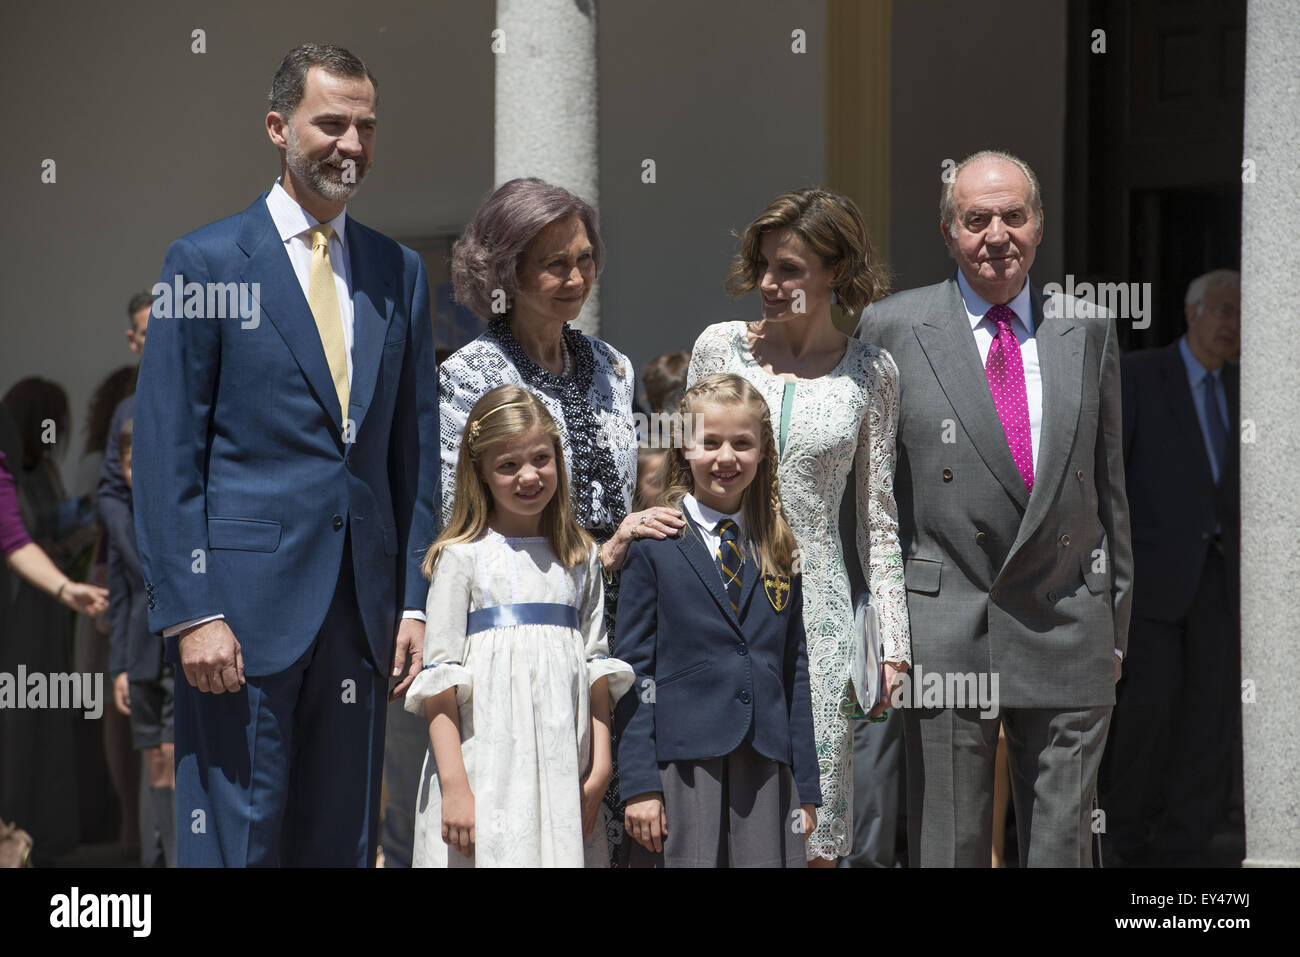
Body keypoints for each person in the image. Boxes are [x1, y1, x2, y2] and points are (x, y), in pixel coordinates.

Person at [132, 43, 439, 867]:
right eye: (330, 123)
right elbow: (166, 455)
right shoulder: (201, 263)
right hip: (237, 619)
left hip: (362, 618)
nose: (352, 144)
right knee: (238, 844)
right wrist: (192, 611)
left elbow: (413, 453)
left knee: (339, 845)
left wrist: (414, 600)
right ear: (277, 127)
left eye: (366, 127)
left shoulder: (397, 271)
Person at [857, 149, 1133, 867]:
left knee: (1062, 849)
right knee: (947, 847)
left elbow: (1110, 492)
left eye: (1014, 216)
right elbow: (872, 496)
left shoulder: (1088, 328)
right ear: (949, 232)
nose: (997, 235)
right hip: (945, 625)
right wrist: (882, 628)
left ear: (1039, 225)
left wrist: (1117, 623)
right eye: (977, 220)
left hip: (1067, 618)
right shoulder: (891, 327)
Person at [436, 176, 684, 864]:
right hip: (532, 631)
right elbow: (458, 516)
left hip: (625, 626)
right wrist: (593, 559)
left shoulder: (613, 365)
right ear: (505, 269)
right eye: (553, 262)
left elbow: (631, 493)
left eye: (585, 258)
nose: (575, 276)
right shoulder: (468, 374)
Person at [688, 187, 910, 865]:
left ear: (834, 272)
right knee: (716, 808)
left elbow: (878, 518)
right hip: (715, 602)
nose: (767, 283)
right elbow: (679, 474)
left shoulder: (872, 371)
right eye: (762, 265)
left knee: (815, 829)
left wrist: (894, 641)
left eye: (788, 268)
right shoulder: (718, 346)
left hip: (819, 619)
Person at [404, 386, 632, 866]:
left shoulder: (580, 557)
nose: (529, 476)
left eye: (541, 459)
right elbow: (440, 685)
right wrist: (455, 788)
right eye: (508, 465)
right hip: (482, 772)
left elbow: (596, 666)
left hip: (561, 773)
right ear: (481, 474)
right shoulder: (462, 559)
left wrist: (602, 767)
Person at [615, 373, 821, 867]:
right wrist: (640, 783)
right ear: (684, 448)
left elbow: (795, 666)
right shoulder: (654, 544)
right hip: (683, 763)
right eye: (709, 442)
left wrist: (808, 787)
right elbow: (632, 673)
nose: (725, 457)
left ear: (763, 452)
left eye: (742, 443)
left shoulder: (778, 545)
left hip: (767, 766)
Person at [1099, 268, 1242, 866]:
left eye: (1242, 314)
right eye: (1225, 310)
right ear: (1192, 312)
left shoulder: (1249, 386)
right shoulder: (1139, 375)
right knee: (1145, 718)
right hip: (1153, 584)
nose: (1235, 325)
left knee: (1210, 717)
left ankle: (1189, 843)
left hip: (1222, 582)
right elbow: (1111, 480)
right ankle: (1124, 841)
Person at [0, 381, 108, 862]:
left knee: (46, 714)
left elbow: (34, 531)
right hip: (17, 611)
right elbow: (18, 540)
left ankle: (42, 833)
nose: (55, 431)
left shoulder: (40, 472)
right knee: (17, 721)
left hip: (45, 609)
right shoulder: (15, 473)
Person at [108, 418, 176, 867]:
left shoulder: (174, 511)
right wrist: (118, 667)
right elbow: (119, 593)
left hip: (176, 653)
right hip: (140, 656)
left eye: (141, 463)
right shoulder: (120, 518)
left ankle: (177, 857)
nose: (135, 474)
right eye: (127, 466)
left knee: (172, 755)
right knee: (152, 759)